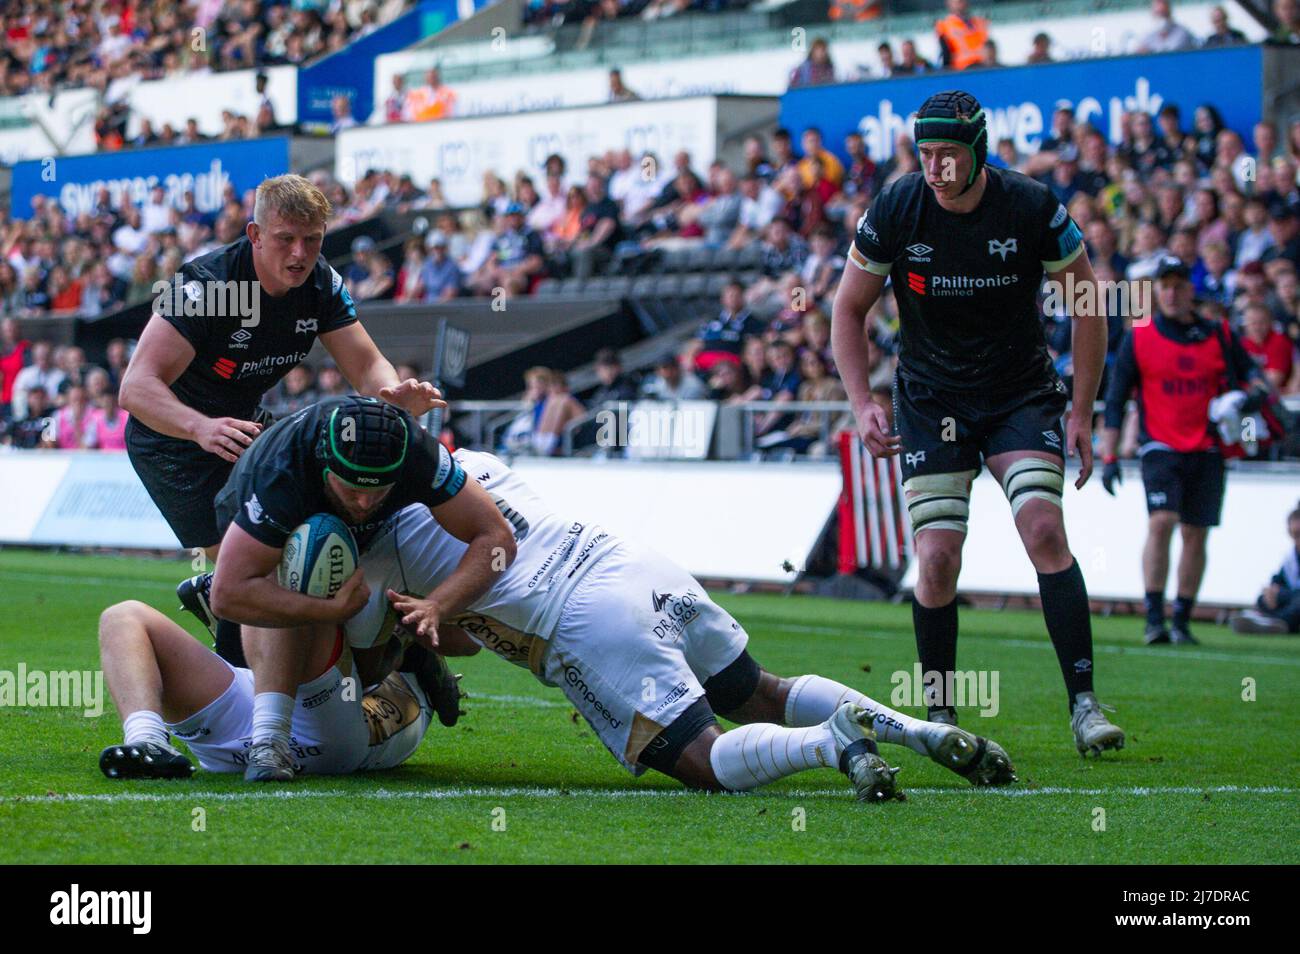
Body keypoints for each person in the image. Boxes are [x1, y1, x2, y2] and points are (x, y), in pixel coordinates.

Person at [344, 451, 1017, 799]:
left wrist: (398, 642)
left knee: (706, 763)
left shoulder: (378, 552)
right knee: (763, 691)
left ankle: (828, 744)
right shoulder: (473, 465)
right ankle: (919, 730)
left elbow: (445, 642)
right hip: (632, 561)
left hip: (585, 621)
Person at [831, 90, 1126, 757]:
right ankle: (941, 712)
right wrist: (861, 401)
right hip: (932, 401)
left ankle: (1083, 704)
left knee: (1045, 529)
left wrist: (1081, 410)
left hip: (1019, 394)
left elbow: (1089, 306)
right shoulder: (896, 209)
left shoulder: (1030, 206)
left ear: (978, 152)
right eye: (925, 154)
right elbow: (847, 310)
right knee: (936, 559)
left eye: (947, 155)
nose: (934, 168)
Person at [118, 174, 443, 668]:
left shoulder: (320, 284)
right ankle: (244, 693)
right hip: (173, 442)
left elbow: (367, 366)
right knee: (245, 572)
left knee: (312, 542)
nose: (299, 254)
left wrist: (390, 395)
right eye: (285, 239)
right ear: (254, 235)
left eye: (312, 240)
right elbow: (135, 388)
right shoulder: (206, 286)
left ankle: (386, 659)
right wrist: (200, 428)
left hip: (246, 427)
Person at [201, 396, 515, 781]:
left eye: (379, 489)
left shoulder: (416, 450)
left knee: (463, 642)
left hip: (380, 540)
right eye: (351, 489)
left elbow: (498, 538)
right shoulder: (280, 473)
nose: (365, 501)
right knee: (284, 616)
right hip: (283, 544)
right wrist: (329, 611)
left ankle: (406, 649)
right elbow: (230, 594)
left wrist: (437, 606)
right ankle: (270, 742)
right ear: (325, 464)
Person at [1101, 258, 1271, 645]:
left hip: (1208, 447)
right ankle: (1153, 615)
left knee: (1196, 533)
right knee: (1162, 522)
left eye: (1179, 285)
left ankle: (1181, 618)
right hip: (1160, 445)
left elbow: (1255, 379)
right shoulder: (1140, 338)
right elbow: (1115, 399)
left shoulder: (1219, 335)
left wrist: (1250, 398)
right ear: (1157, 291)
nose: (1172, 293)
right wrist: (1109, 456)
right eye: (1166, 286)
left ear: (1190, 290)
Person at [95, 600, 436, 779]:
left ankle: (269, 738)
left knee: (291, 594)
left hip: (331, 735)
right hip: (253, 723)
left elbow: (459, 640)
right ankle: (148, 742)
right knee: (121, 617)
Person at [1232, 506, 1300, 634]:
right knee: (1263, 599)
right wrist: (1271, 592)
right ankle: (1274, 622)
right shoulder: (1291, 558)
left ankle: (1273, 622)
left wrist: (1280, 594)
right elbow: (1279, 580)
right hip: (1291, 599)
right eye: (1295, 534)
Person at [935, 0, 989, 71]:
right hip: (962, 70)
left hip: (986, 67)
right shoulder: (944, 25)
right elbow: (946, 56)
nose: (961, 2)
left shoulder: (980, 22)